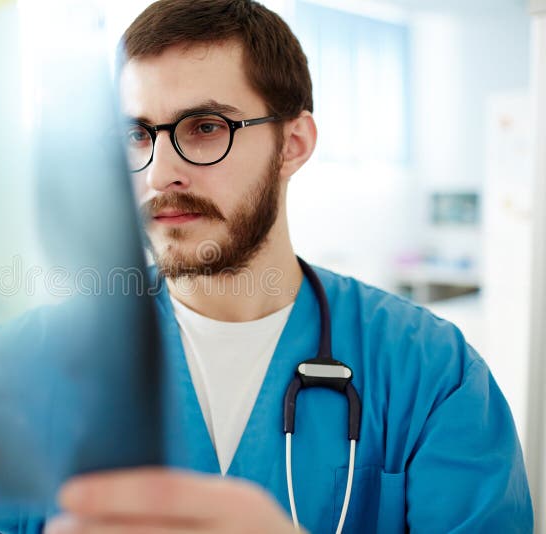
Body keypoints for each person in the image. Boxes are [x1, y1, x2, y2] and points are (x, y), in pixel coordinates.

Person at [37, 0, 533, 533]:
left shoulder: (433, 374)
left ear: (292, 145)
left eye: (205, 127)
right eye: (137, 135)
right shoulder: (36, 366)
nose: (161, 173)